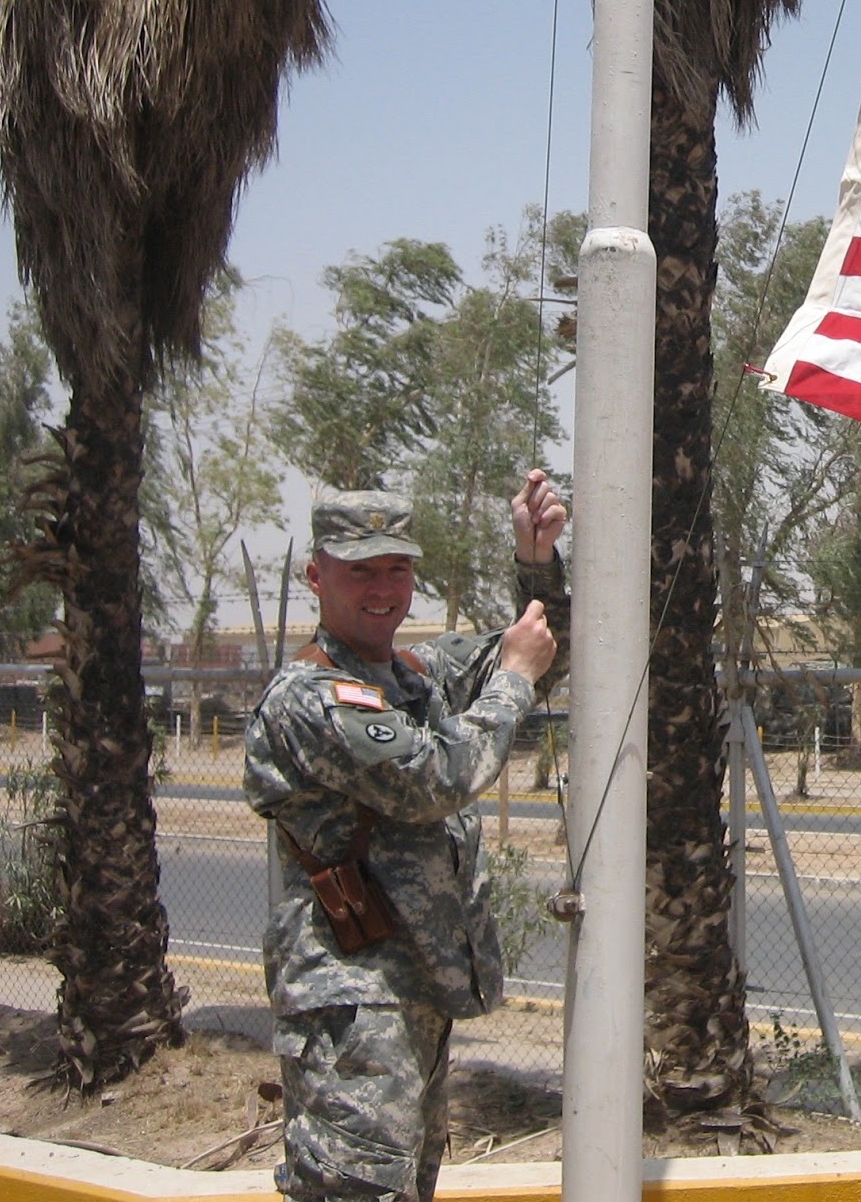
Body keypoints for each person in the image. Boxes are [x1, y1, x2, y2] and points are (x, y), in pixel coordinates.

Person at [243, 470, 569, 1202]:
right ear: (317, 576)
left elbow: (545, 646)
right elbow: (435, 780)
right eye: (361, 570)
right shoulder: (311, 697)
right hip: (353, 1010)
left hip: (415, 999)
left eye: (397, 568)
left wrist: (536, 560)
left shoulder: (415, 676)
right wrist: (512, 683)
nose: (383, 588)